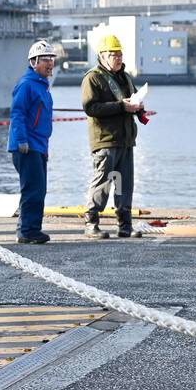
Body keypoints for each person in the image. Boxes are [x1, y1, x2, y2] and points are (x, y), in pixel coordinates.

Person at [80, 34, 144, 239]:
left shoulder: (125, 77)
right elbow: (91, 107)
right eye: (113, 54)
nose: (117, 58)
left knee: (125, 184)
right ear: (102, 56)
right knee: (103, 181)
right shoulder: (93, 78)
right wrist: (122, 106)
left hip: (125, 140)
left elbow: (131, 100)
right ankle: (91, 223)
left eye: (119, 54)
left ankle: (124, 225)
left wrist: (138, 106)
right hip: (105, 140)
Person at [8, 40, 56, 244]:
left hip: (38, 146)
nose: (50, 63)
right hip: (26, 147)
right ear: (34, 61)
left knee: (38, 189)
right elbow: (17, 113)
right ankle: (27, 230)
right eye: (46, 59)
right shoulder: (27, 84)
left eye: (52, 59)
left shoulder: (42, 86)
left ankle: (31, 229)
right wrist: (21, 140)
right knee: (32, 189)